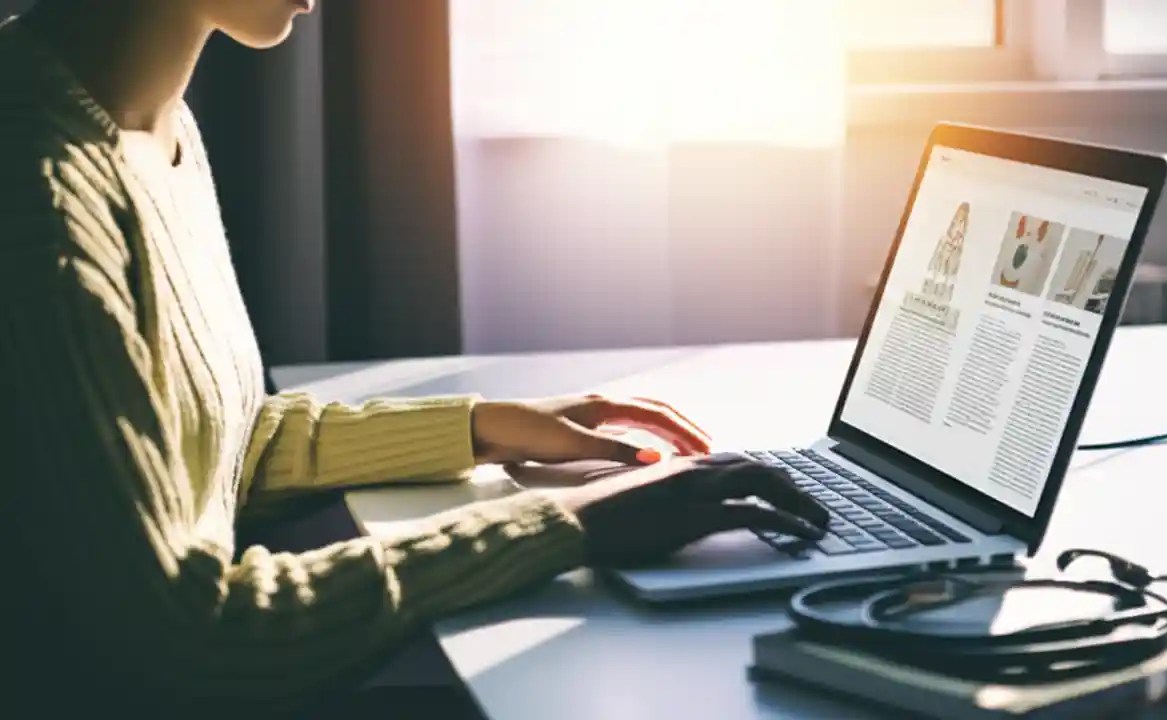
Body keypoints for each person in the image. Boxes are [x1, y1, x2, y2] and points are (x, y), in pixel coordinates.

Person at [0, 0, 828, 713]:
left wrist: (484, 428)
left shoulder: (154, 125)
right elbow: (194, 644)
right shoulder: (43, 197)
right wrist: (570, 524)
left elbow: (215, 453)